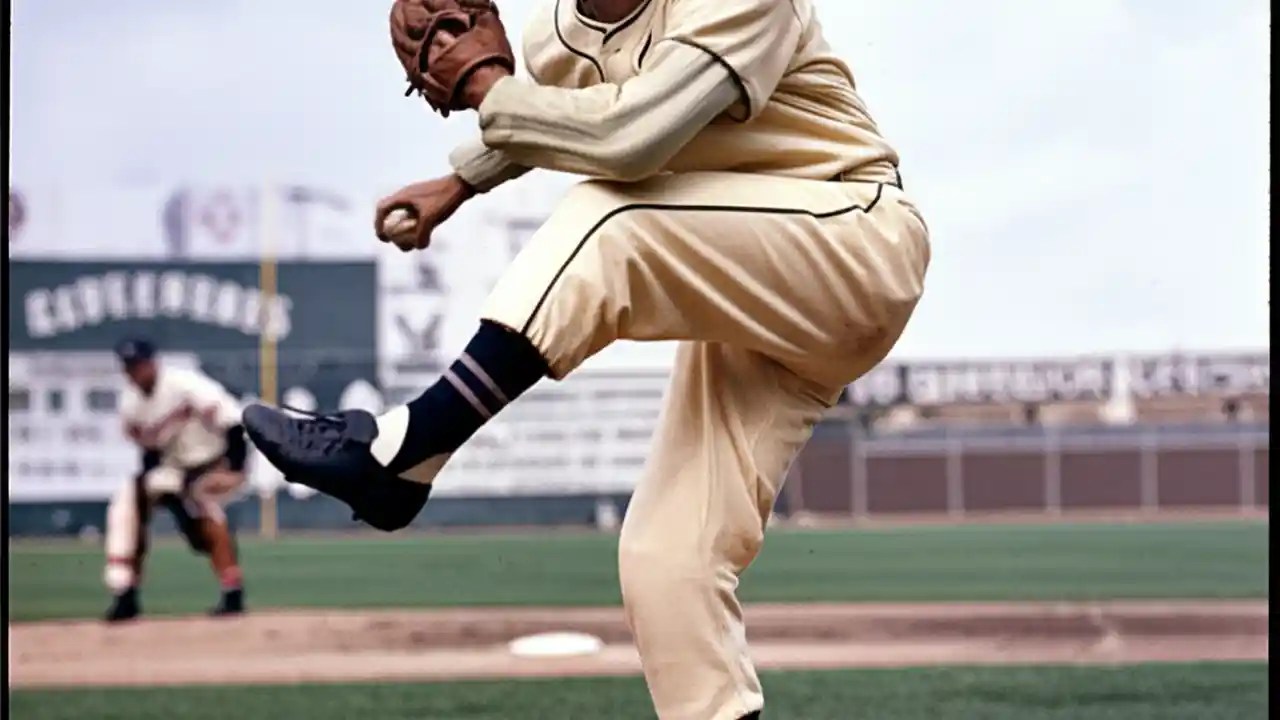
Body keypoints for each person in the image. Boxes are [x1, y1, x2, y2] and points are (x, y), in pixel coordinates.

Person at [244, 0, 930, 717]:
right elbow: (552, 112)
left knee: (613, 217)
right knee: (668, 560)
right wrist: (456, 184)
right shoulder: (558, 35)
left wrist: (483, 86)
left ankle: (399, 453)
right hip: (755, 306)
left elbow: (629, 136)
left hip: (852, 242)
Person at [104, 338, 250, 622]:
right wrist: (146, 494)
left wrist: (235, 469)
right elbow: (149, 454)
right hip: (175, 471)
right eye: (129, 366)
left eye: (139, 364)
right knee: (126, 506)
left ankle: (232, 592)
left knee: (205, 514)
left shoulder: (185, 384)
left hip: (214, 463)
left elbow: (233, 422)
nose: (135, 371)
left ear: (152, 362)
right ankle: (124, 593)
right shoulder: (130, 403)